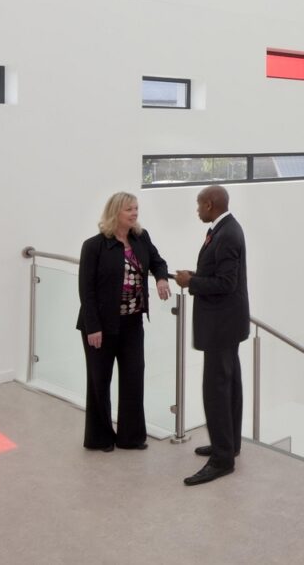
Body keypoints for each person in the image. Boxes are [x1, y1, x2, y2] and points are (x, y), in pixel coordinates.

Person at [76, 191, 170, 451]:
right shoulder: (93, 245)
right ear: (116, 212)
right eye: (129, 209)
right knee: (99, 382)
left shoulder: (141, 238)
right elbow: (87, 290)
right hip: (100, 327)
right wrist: (93, 327)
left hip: (132, 324)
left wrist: (161, 278)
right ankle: (100, 438)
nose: (135, 213)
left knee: (133, 379)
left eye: (136, 208)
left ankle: (131, 437)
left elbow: (158, 261)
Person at [176, 184, 250, 485]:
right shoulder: (224, 229)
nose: (196, 209)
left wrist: (190, 283)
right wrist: (195, 277)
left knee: (217, 389)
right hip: (226, 324)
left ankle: (222, 459)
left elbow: (225, 283)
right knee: (228, 384)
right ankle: (228, 444)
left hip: (222, 325)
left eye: (198, 204)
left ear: (209, 204)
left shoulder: (228, 233)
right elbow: (220, 277)